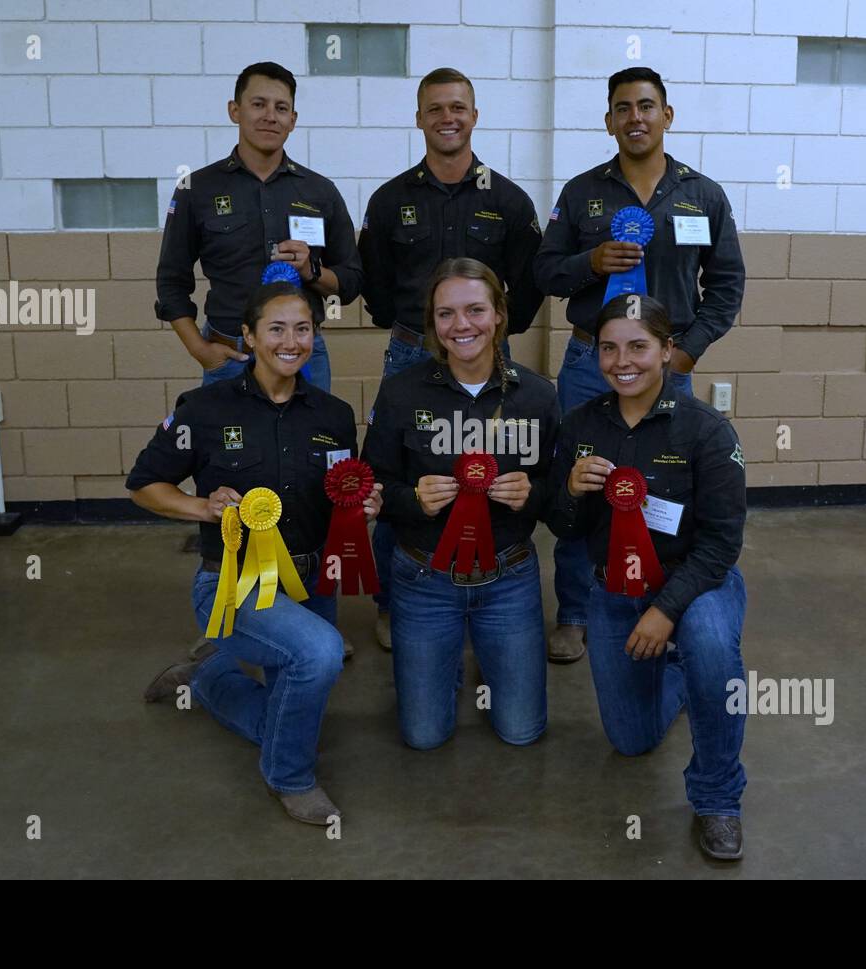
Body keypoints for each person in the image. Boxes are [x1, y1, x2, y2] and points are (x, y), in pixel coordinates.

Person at [127, 281, 380, 826]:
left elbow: (340, 497)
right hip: (232, 583)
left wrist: (364, 507)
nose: (291, 341)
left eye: (304, 328)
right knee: (318, 654)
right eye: (276, 328)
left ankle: (210, 678)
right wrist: (204, 508)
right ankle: (290, 778)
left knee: (297, 702)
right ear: (248, 335)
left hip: (312, 582)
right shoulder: (205, 407)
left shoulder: (333, 414)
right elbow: (144, 485)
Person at [534, 65, 745, 665]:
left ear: (666, 116)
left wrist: (688, 349)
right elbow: (545, 272)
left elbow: (726, 285)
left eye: (647, 106)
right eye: (623, 108)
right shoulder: (581, 193)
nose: (635, 117)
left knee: (666, 487)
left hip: (668, 363)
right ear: (609, 120)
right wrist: (591, 261)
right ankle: (576, 611)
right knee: (587, 485)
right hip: (589, 362)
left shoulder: (703, 194)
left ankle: (664, 595)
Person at [547, 294, 748, 861]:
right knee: (631, 742)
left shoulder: (706, 431)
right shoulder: (582, 425)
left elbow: (721, 545)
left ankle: (718, 799)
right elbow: (563, 529)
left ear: (666, 350)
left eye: (638, 346)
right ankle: (683, 677)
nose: (621, 360)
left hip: (696, 586)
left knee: (710, 645)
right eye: (608, 348)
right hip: (615, 591)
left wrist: (666, 612)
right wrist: (569, 491)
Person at [359, 67, 545, 653]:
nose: (448, 117)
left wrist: (493, 330)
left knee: (487, 476)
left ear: (475, 115)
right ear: (419, 118)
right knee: (402, 481)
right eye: (435, 108)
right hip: (411, 348)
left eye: (458, 107)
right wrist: (414, 327)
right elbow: (378, 284)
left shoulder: (510, 200)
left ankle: (487, 581)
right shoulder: (389, 200)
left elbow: (532, 279)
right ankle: (396, 600)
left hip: (489, 353)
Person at [361, 258, 559, 750]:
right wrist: (412, 500)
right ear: (432, 323)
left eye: (475, 310)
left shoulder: (537, 395)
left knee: (520, 731)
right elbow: (375, 486)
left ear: (498, 315)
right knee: (424, 736)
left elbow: (562, 492)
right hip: (424, 576)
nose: (461, 325)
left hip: (508, 577)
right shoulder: (401, 392)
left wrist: (533, 494)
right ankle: (437, 664)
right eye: (446, 314)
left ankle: (473, 657)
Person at [156, 60, 363, 392]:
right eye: (258, 104)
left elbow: (352, 281)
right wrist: (200, 350)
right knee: (225, 446)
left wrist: (311, 271)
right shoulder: (196, 189)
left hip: (303, 361)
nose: (270, 115)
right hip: (230, 360)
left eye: (281, 108)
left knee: (311, 444)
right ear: (234, 111)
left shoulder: (320, 191)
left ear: (293, 120)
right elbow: (170, 282)